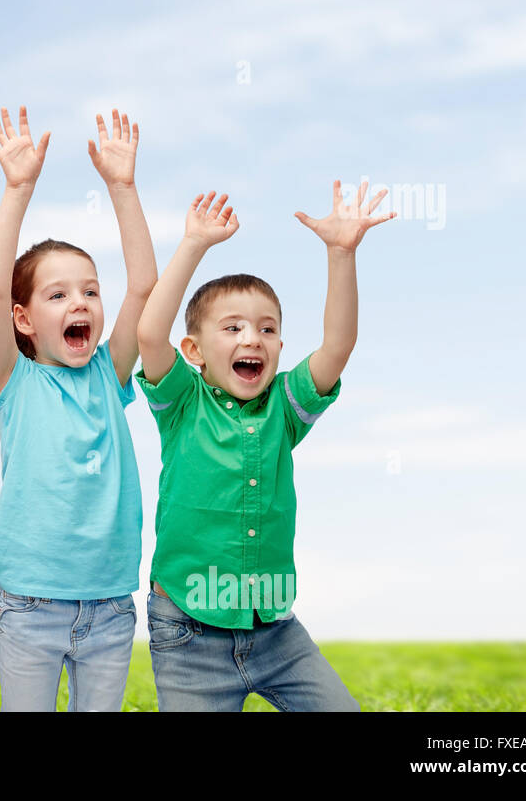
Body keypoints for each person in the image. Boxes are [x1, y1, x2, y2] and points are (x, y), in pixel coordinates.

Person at [135, 181, 395, 711]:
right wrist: (193, 245)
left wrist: (341, 254)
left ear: (279, 346)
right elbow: (148, 336)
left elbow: (338, 346)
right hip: (188, 632)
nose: (251, 338)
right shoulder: (184, 403)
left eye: (266, 328)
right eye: (231, 328)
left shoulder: (286, 406)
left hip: (276, 633)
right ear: (195, 351)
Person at [0, 107, 158, 711]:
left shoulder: (111, 372)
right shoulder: (12, 379)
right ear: (23, 319)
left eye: (88, 290)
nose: (79, 301)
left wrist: (122, 187)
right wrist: (18, 188)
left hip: (109, 607)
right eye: (57, 294)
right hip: (30, 606)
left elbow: (143, 286)